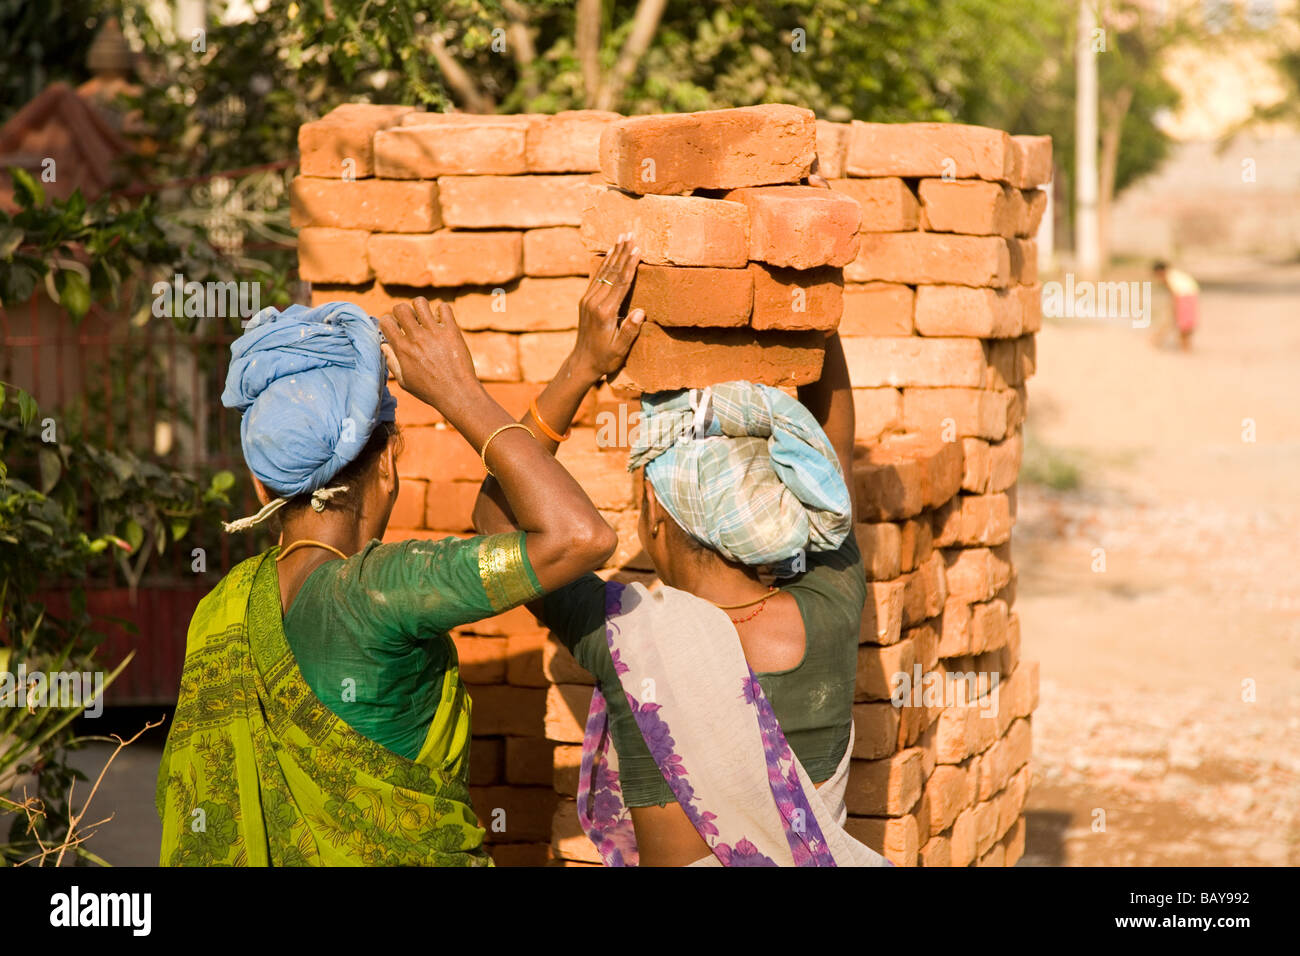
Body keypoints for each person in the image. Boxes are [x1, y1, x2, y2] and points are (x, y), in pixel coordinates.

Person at [156, 294, 621, 866]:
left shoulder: (220, 611)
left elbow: (499, 526)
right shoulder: (381, 590)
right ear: (387, 464)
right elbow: (579, 537)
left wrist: (578, 369)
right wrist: (458, 392)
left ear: (260, 486)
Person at [473, 238, 889, 867]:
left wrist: (583, 363)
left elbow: (493, 521)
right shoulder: (831, 606)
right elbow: (836, 450)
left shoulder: (628, 638)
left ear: (658, 519)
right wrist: (807, 290)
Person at [1153, 260, 1200, 351]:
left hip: (1184, 297)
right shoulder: (1175, 274)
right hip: (1191, 296)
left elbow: (1175, 293)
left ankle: (1184, 346)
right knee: (1184, 323)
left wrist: (1173, 306)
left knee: (1182, 323)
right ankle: (1184, 345)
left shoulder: (1169, 277)